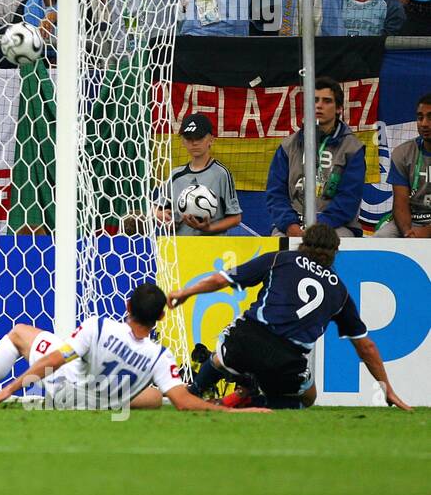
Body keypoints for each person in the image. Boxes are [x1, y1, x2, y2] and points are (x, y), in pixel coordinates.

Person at [169, 223, 412, 410]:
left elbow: (220, 279)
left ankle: (196, 390)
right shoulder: (339, 292)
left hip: (245, 343)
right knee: (309, 397)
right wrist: (386, 388)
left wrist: (186, 292)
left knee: (221, 358)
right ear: (335, 253)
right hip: (286, 363)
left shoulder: (280, 259)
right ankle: (258, 403)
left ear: (304, 243)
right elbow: (366, 346)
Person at [0, 282, 266, 412]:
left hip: (61, 392)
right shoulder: (159, 356)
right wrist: (232, 411)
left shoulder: (99, 326)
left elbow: (53, 361)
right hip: (99, 404)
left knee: (20, 333)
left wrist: (9, 389)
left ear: (127, 306)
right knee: (155, 396)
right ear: (161, 317)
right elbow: (182, 401)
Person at [265, 76, 367, 238]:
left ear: (339, 108)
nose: (319, 105)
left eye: (327, 101)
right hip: (293, 226)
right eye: (315, 100)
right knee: (278, 242)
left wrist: (318, 226)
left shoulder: (353, 148)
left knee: (339, 240)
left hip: (335, 226)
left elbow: (348, 199)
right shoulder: (287, 146)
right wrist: (291, 225)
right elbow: (276, 193)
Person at [157, 113, 256, 235]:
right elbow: (157, 208)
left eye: (199, 138)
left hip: (212, 248)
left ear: (211, 140)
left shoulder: (221, 174)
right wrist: (161, 216)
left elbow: (235, 218)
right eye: (189, 138)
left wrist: (208, 229)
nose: (194, 143)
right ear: (182, 142)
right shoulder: (175, 175)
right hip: (180, 247)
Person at [374, 92, 431, 238]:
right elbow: (400, 204)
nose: (424, 123)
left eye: (430, 117)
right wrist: (408, 233)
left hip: (427, 228)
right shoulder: (403, 152)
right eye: (420, 117)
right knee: (382, 237)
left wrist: (425, 233)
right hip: (412, 222)